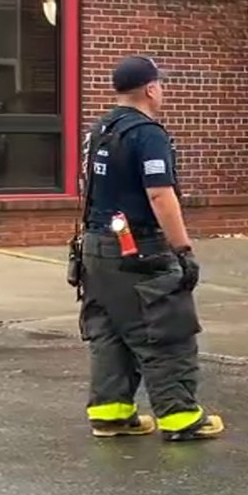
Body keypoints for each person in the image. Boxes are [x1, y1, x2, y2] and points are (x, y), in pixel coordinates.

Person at [76, 55, 223, 442]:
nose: (163, 90)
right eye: (161, 84)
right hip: (137, 248)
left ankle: (111, 413)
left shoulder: (99, 128)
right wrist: (183, 249)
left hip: (95, 246)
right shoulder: (147, 133)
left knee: (109, 332)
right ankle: (180, 418)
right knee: (164, 330)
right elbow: (160, 193)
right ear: (150, 88)